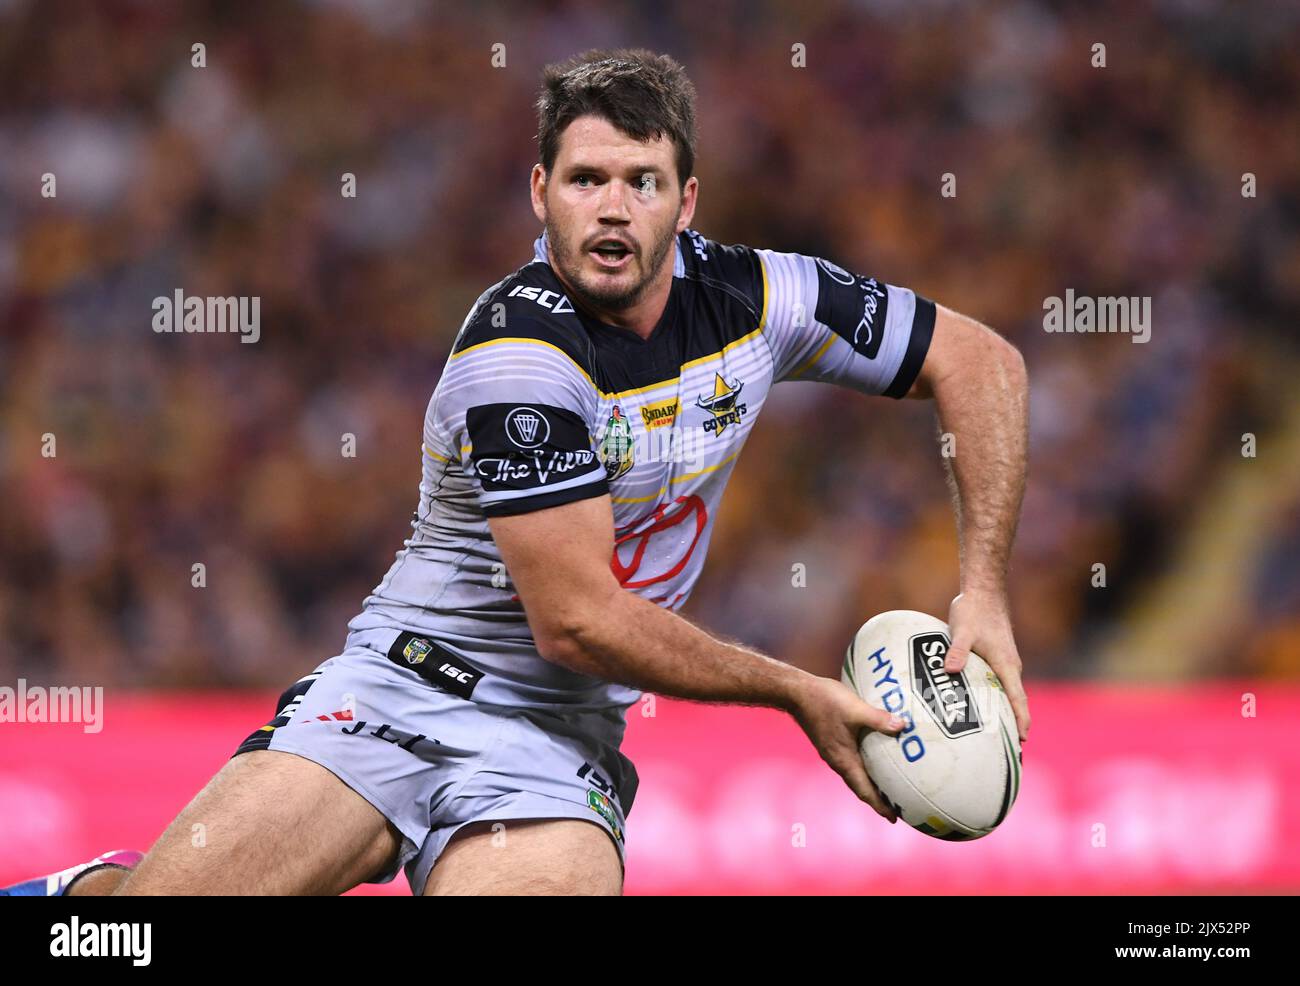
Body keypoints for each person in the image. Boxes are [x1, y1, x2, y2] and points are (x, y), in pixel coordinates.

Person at [4, 48, 1029, 897]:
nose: (614, 210)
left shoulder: (764, 297)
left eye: (643, 181)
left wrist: (982, 586)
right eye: (586, 180)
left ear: (688, 198)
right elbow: (576, 617)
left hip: (550, 744)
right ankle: (87, 895)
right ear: (540, 191)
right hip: (397, 691)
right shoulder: (516, 356)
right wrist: (793, 690)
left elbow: (980, 361)